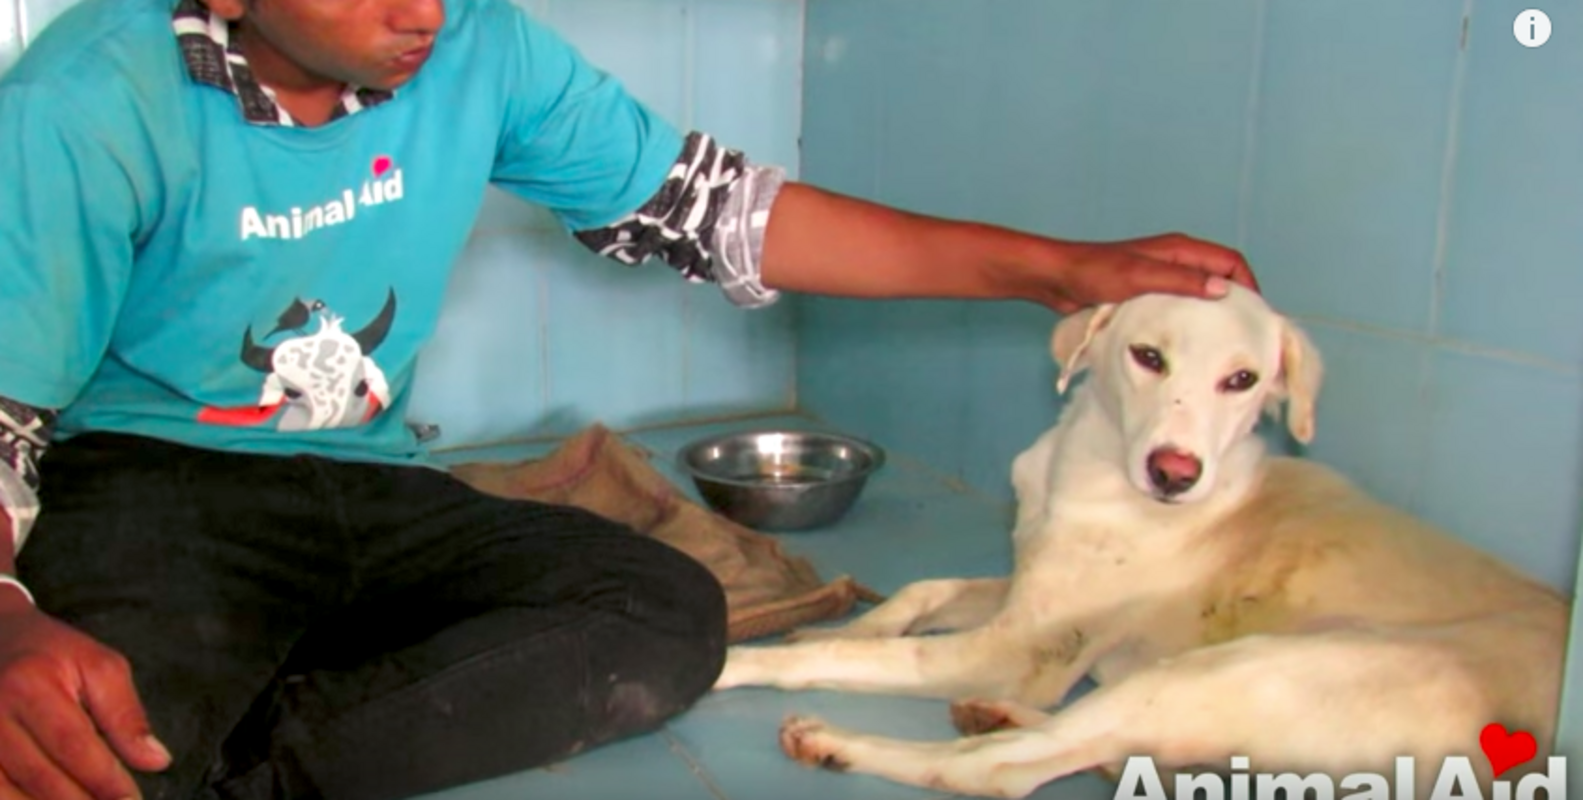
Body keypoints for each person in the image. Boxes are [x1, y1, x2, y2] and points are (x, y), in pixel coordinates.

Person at [0, 0, 1260, 796]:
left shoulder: (476, 44)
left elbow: (732, 213)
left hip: (382, 482)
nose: (423, 10)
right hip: (154, 478)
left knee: (661, 612)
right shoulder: (84, 99)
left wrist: (1054, 270)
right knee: (76, 735)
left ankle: (256, 765)